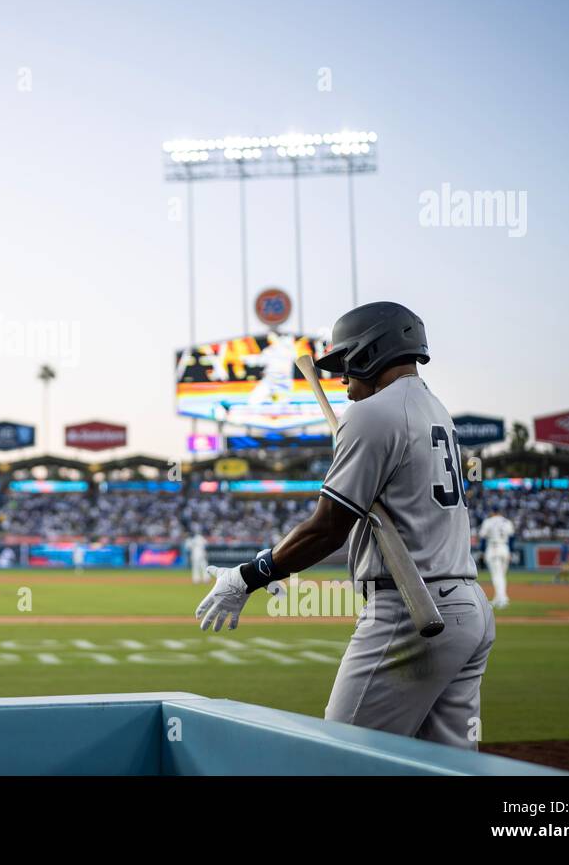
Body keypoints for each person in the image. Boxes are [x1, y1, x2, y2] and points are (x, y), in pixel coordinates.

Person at [194, 302, 495, 751]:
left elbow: (327, 528)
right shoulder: (436, 411)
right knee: (446, 767)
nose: (344, 384)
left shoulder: (372, 415)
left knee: (340, 757)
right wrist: (285, 561)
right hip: (467, 609)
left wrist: (251, 575)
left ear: (369, 354)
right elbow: (360, 532)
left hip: (409, 612)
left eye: (346, 366)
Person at [478, 508, 514, 609]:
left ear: (492, 512)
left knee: (496, 575)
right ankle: (498, 598)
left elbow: (483, 538)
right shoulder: (507, 522)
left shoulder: (488, 521)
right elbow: (511, 538)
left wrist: (482, 551)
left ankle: (503, 599)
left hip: (493, 548)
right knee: (501, 575)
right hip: (505, 548)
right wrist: (511, 551)